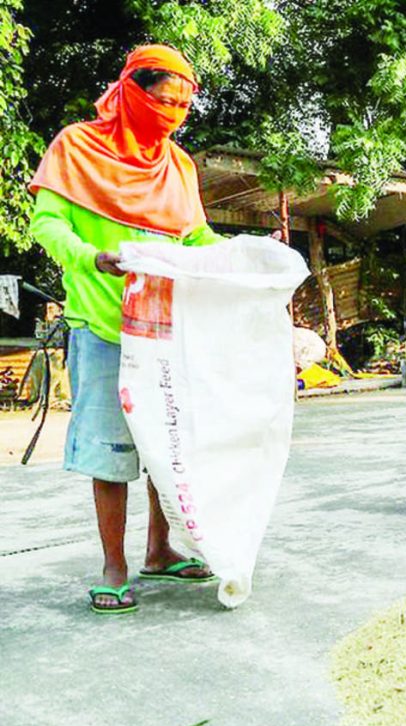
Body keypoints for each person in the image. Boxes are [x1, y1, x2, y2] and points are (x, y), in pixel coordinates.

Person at [29, 45, 222, 614]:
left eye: (183, 108)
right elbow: (47, 223)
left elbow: (196, 241)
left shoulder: (178, 167)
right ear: (133, 91)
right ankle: (114, 565)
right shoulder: (77, 147)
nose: (172, 115)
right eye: (162, 101)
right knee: (109, 451)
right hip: (102, 323)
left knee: (168, 446)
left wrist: (244, 258)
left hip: (165, 326)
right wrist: (93, 257)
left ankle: (159, 550)